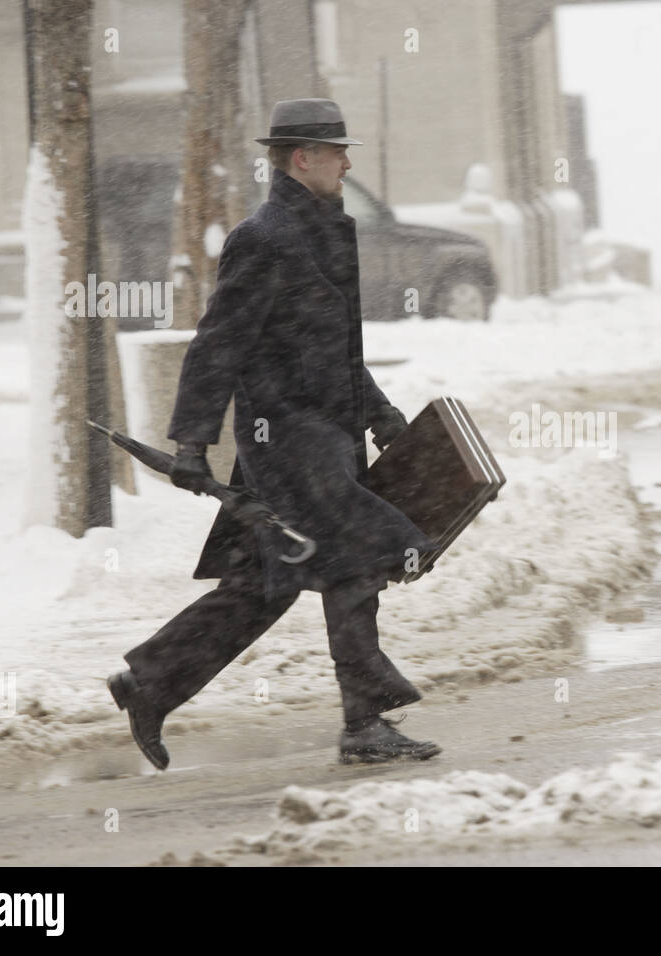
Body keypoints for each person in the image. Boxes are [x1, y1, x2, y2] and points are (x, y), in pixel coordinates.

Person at [108, 99, 441, 769]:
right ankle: (365, 723)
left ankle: (149, 684)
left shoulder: (326, 229)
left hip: (327, 436)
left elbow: (337, 350)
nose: (348, 162)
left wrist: (379, 415)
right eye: (337, 151)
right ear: (302, 159)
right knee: (363, 555)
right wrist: (192, 442)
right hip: (289, 443)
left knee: (267, 581)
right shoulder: (263, 237)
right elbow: (217, 344)